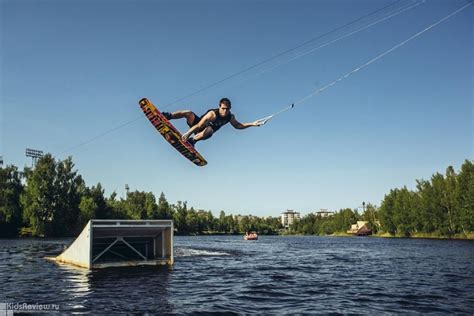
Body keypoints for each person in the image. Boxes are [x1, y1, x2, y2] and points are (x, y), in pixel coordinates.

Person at [162, 98, 263, 146]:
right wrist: (188, 133)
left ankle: (192, 141)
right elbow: (198, 125)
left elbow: (238, 125)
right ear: (219, 106)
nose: (225, 111)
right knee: (188, 113)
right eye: (223, 108)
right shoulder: (212, 114)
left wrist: (252, 124)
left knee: (210, 130)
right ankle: (168, 116)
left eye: (227, 109)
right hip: (197, 124)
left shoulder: (230, 116)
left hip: (205, 133)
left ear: (230, 108)